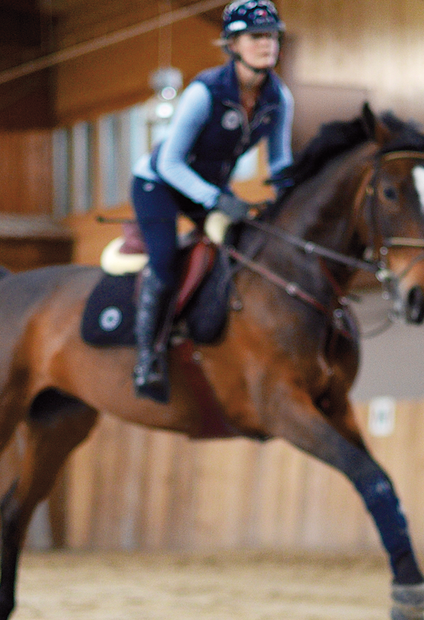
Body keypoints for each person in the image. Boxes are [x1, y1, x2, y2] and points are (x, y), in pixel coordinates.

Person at [130, 0, 294, 402]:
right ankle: (147, 358)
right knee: (166, 262)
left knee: (245, 247)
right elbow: (169, 163)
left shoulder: (279, 99)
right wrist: (217, 199)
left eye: (272, 36)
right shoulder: (204, 93)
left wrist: (290, 198)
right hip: (159, 184)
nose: (267, 44)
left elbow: (280, 162)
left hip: (209, 188)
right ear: (233, 44)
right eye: (257, 37)